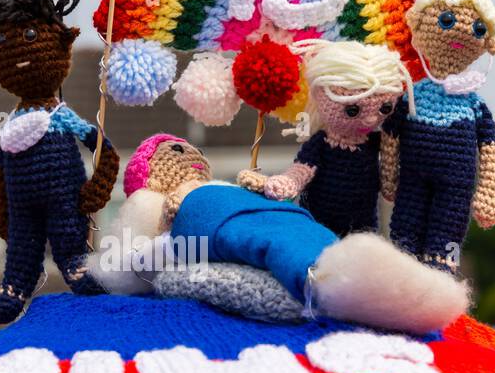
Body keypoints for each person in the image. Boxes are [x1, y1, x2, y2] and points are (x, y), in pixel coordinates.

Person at [116, 134, 468, 335]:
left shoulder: (188, 204)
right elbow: (152, 262)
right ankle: (331, 276)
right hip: (229, 215)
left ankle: (336, 276)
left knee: (284, 238)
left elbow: (148, 264)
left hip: (241, 214)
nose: (181, 155)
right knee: (277, 239)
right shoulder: (177, 205)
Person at [0, 0, 119, 324]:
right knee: (21, 248)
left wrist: (97, 189)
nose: (18, 54)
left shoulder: (62, 118)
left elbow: (103, 149)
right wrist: (4, 214)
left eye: (31, 37)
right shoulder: (12, 126)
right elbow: (2, 170)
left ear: (62, 46)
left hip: (64, 200)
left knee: (69, 241)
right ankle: (16, 286)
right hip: (22, 210)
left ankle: (78, 269)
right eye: (1, 41)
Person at [380, 0, 495, 271]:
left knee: (448, 229)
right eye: (447, 20)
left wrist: (488, 189)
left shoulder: (474, 105)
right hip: (412, 179)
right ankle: (403, 270)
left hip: (456, 186)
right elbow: (390, 135)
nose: (461, 30)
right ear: (419, 29)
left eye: (477, 28)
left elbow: (488, 148)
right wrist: (389, 175)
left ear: (487, 43)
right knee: (405, 227)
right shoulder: (410, 96)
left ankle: (442, 270)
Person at [238, 41, 413, 237]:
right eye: (353, 110)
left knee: (362, 246)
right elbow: (303, 168)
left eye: (385, 108)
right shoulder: (321, 143)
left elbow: (393, 162)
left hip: (363, 220)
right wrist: (289, 181)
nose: (371, 119)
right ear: (322, 99)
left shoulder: (376, 141)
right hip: (319, 217)